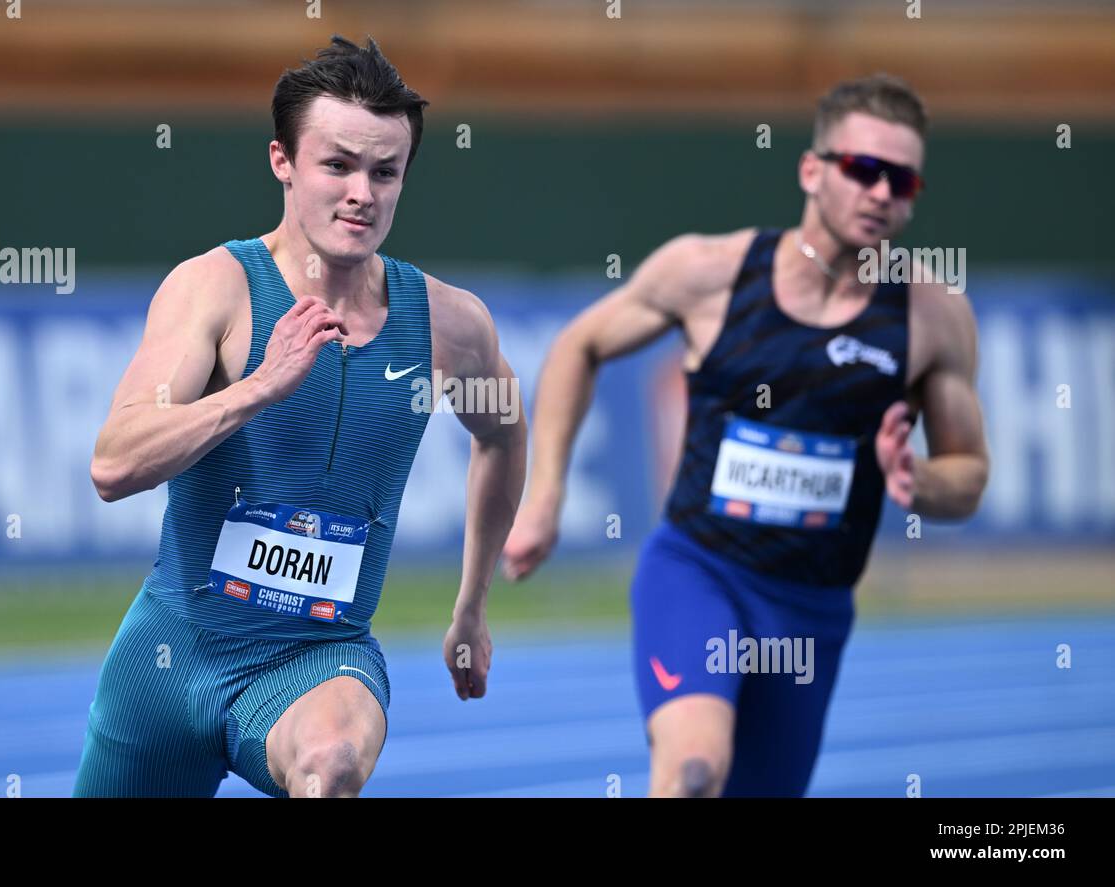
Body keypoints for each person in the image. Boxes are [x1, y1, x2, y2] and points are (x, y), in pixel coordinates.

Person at [503, 73, 989, 797]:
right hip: (700, 571)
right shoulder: (711, 272)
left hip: (811, 608)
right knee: (693, 770)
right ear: (812, 170)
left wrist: (919, 481)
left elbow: (970, 474)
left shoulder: (932, 316)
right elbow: (579, 345)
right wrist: (544, 496)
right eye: (864, 169)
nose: (883, 192)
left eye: (904, 180)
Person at [74, 36, 526, 798]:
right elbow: (114, 465)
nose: (363, 193)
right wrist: (255, 387)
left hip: (319, 656)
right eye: (338, 165)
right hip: (170, 653)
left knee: (331, 764)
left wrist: (472, 605)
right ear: (282, 161)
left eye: (386, 171)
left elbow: (504, 436)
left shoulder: (450, 325)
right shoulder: (215, 289)